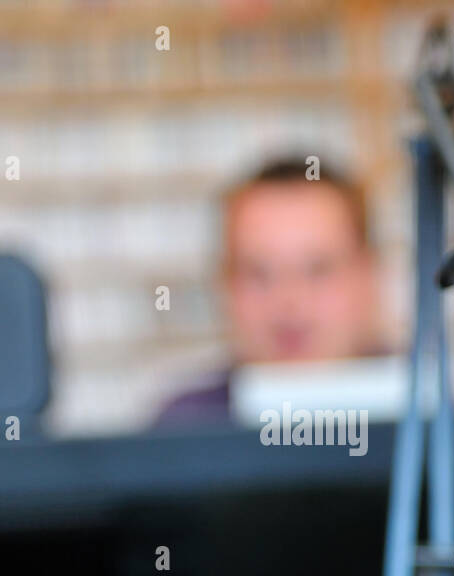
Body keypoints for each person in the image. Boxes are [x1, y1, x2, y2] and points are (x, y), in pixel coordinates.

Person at [155, 157, 381, 426]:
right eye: (258, 274)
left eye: (318, 270)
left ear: (368, 276)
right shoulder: (181, 429)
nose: (289, 301)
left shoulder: (433, 414)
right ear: (223, 285)